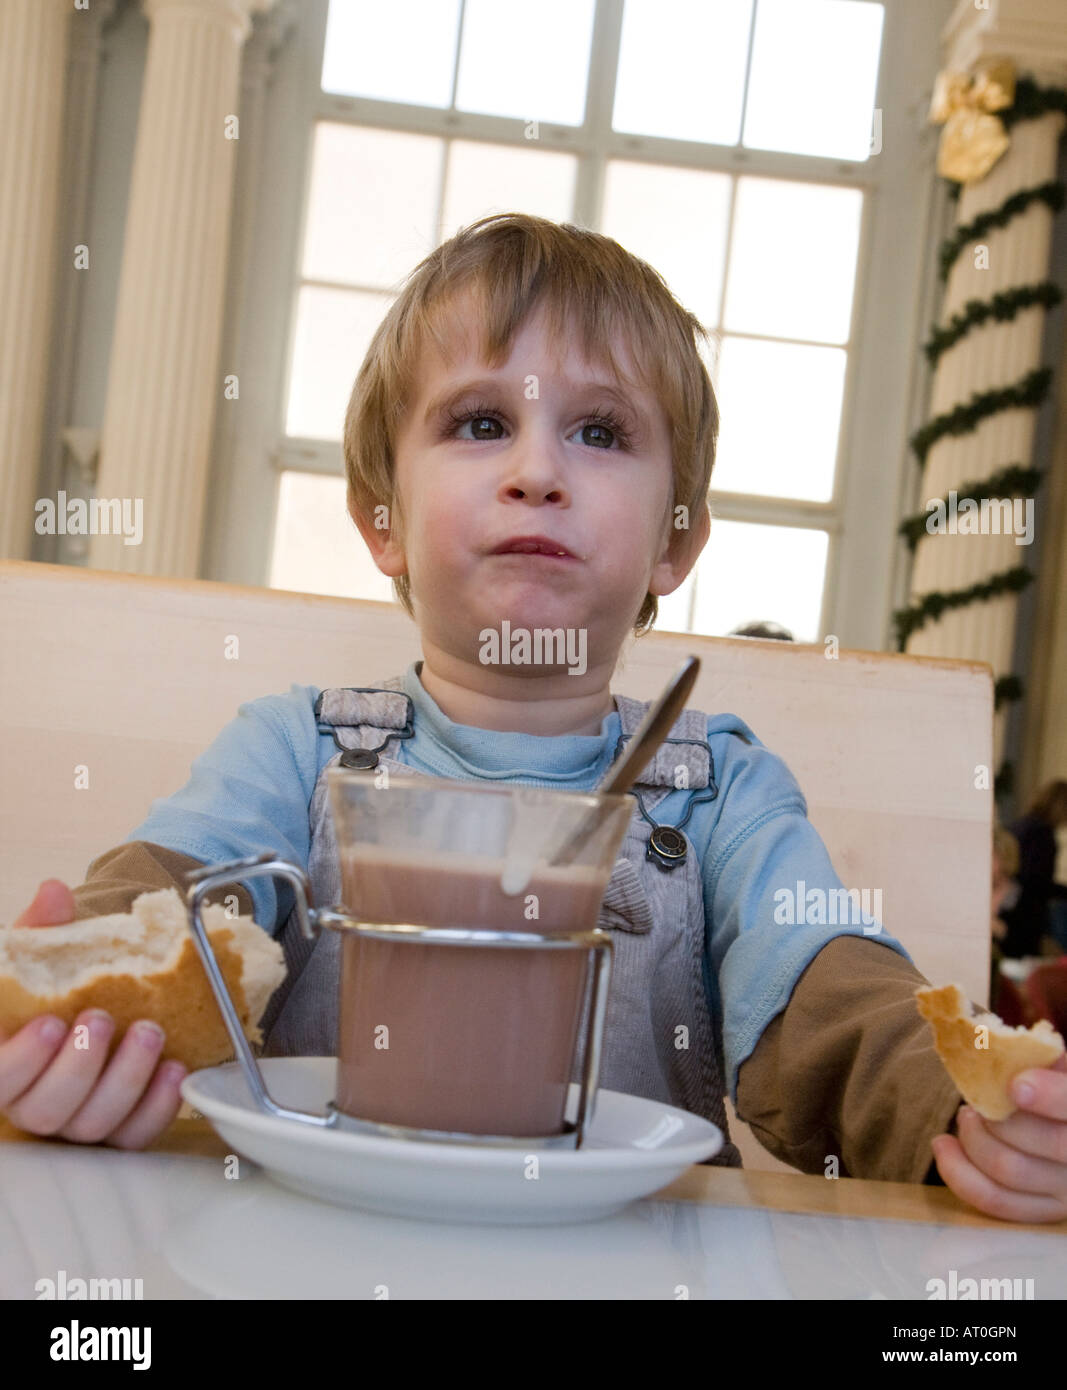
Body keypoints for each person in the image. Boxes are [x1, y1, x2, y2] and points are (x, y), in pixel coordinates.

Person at [3, 214, 1065, 1223]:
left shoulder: (720, 790)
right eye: (480, 424)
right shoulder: (293, 750)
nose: (535, 472)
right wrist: (74, 1039)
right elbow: (156, 921)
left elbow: (835, 1005)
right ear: (383, 520)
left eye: (599, 432)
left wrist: (958, 1112)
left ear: (674, 543)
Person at [998, 780, 1067, 960]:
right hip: (1025, 911)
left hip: (1009, 903)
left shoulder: (1021, 824)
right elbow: (1038, 883)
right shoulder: (1043, 834)